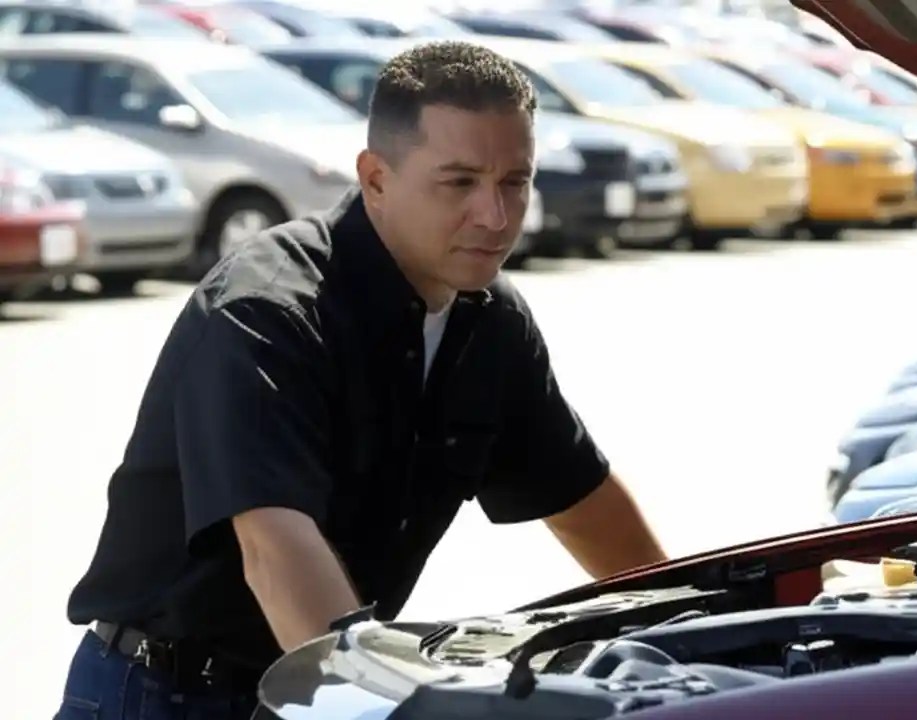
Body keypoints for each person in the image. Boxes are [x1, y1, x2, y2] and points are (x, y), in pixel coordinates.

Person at [52, 40, 668, 720]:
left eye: (514, 181)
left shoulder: (488, 320)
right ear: (375, 177)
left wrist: (676, 636)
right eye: (459, 182)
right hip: (166, 694)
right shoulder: (269, 312)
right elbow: (275, 552)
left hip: (318, 684)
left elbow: (584, 504)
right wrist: (367, 709)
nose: (495, 216)